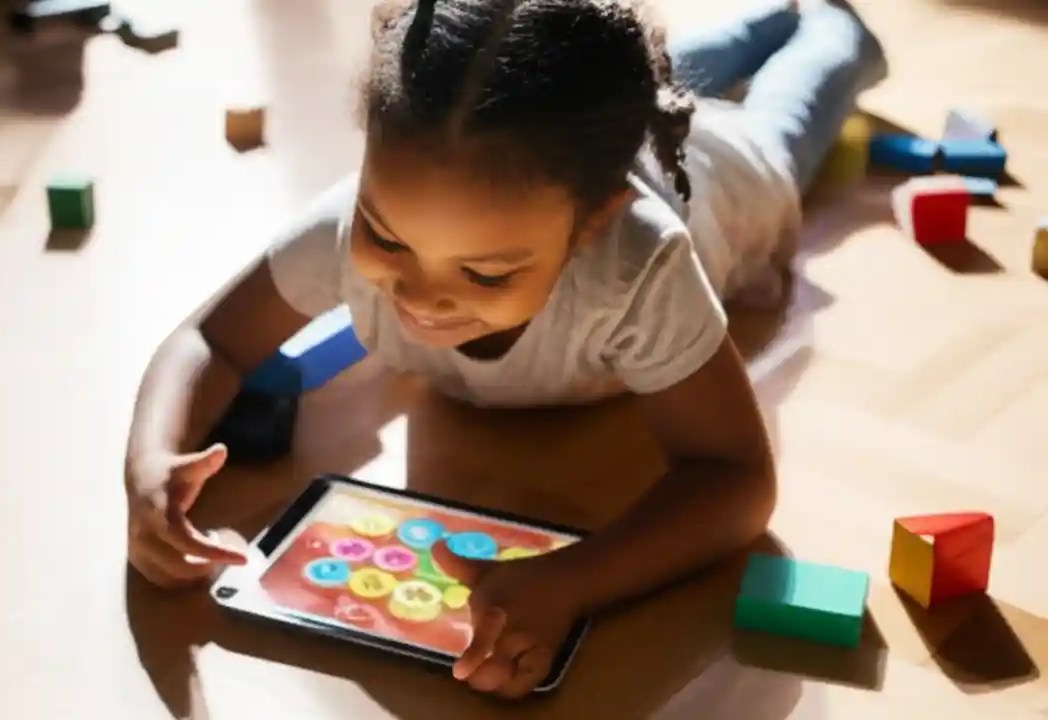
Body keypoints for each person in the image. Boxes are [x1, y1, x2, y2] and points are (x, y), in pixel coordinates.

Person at [125, 0, 887, 698]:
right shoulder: (346, 226)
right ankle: (763, 17)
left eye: (485, 272)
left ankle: (830, 24)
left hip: (729, 178)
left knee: (790, 109)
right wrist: (152, 458)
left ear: (593, 225)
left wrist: (570, 582)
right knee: (658, 80)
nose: (420, 299)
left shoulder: (636, 267)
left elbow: (735, 481)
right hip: (589, 146)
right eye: (385, 236)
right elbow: (207, 338)